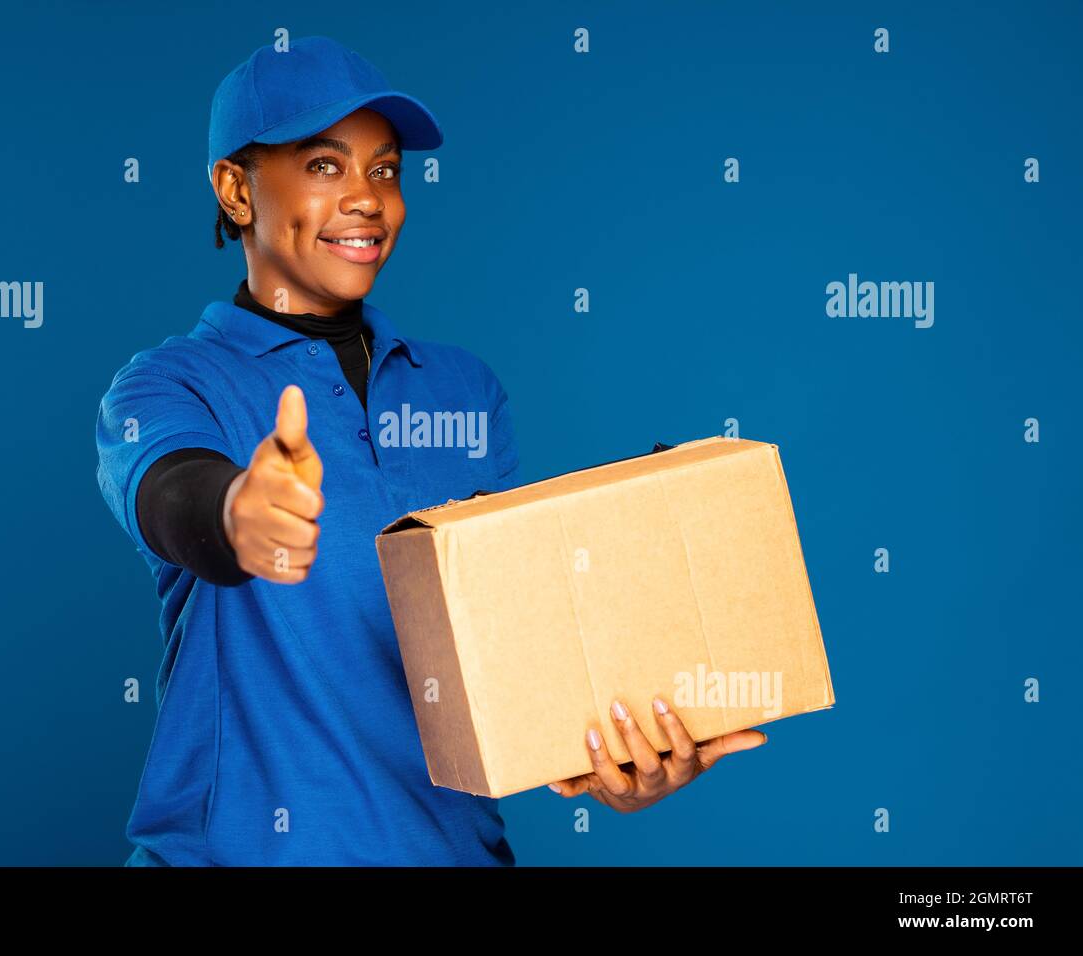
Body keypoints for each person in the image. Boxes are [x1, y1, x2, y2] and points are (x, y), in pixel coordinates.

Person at [94, 35, 766, 866]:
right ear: (236, 189)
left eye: (384, 170)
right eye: (324, 165)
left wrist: (615, 751)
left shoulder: (463, 391)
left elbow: (505, 653)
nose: (367, 199)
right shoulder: (169, 384)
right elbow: (170, 493)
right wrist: (239, 511)